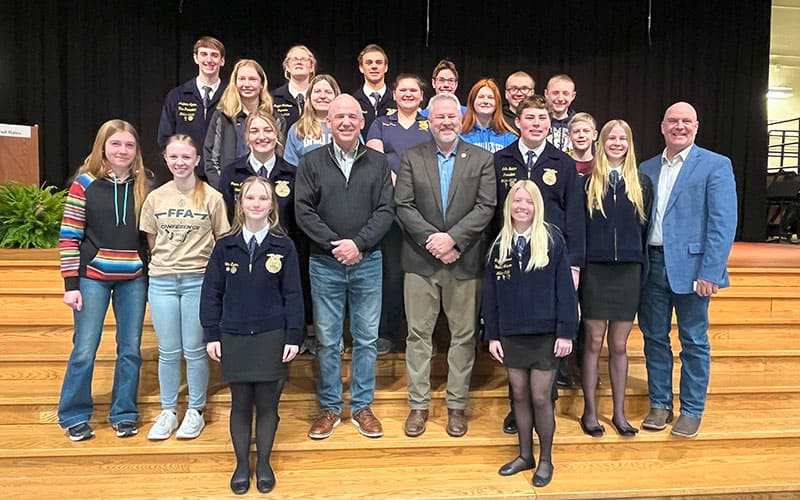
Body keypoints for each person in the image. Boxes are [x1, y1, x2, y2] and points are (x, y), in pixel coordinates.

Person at [395, 93, 496, 438]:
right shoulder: (413, 157)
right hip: (420, 261)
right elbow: (403, 205)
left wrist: (453, 240)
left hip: (463, 260)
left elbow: (485, 207)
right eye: (439, 117)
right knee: (418, 336)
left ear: (461, 119)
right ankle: (418, 406)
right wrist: (433, 241)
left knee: (464, 336)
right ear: (430, 121)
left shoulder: (481, 159)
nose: (446, 122)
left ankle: (456, 405)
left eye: (451, 116)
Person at [295, 94, 394, 440]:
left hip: (368, 261)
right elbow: (303, 211)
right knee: (327, 340)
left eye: (353, 116)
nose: (347, 122)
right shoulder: (311, 161)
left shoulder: (378, 162)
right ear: (329, 122)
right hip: (325, 263)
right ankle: (330, 407)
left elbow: (386, 209)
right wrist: (336, 245)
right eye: (339, 117)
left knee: (366, 339)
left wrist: (359, 244)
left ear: (362, 121)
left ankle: (362, 406)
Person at [638, 102, 737, 438]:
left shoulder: (715, 165)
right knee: (654, 338)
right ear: (662, 126)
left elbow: (723, 222)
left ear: (696, 126)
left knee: (693, 340)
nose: (679, 126)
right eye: (673, 121)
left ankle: (692, 410)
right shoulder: (647, 167)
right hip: (652, 265)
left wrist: (711, 270)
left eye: (686, 121)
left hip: (694, 269)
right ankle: (660, 404)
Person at [200, 176, 303, 494]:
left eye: (263, 198)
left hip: (272, 335)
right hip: (234, 334)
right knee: (241, 403)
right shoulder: (225, 246)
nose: (256, 204)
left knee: (268, 404)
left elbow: (293, 295)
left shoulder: (284, 246)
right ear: (240, 204)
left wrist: (293, 336)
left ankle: (265, 464)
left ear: (272, 205)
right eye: (250, 198)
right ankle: (242, 465)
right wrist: (212, 333)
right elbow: (212, 293)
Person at [494, 95, 585, 434]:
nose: (536, 124)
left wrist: (574, 265)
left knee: (546, 334)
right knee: (515, 334)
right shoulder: (500, 160)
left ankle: (547, 403)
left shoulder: (563, 163)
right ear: (518, 122)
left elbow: (575, 216)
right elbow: (493, 212)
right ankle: (515, 408)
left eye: (542, 119)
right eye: (530, 118)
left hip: (551, 263)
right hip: (510, 258)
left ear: (550, 124)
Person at [57, 119, 150, 441]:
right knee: (85, 348)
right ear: (103, 147)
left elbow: (149, 238)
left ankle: (124, 413)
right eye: (116, 144)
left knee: (131, 350)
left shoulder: (145, 185)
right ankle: (74, 414)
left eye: (129, 145)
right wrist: (71, 285)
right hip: (92, 278)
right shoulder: (84, 184)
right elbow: (69, 236)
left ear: (136, 150)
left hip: (133, 278)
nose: (122, 150)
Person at [483, 180, 576, 488]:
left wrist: (566, 332)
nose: (522, 206)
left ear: (537, 206)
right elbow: (491, 296)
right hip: (511, 334)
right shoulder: (499, 246)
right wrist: (493, 335)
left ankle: (546, 459)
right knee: (519, 395)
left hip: (546, 334)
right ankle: (525, 455)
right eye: (517, 201)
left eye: (528, 201)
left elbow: (565, 289)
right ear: (509, 205)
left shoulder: (552, 240)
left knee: (540, 396)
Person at [140, 135, 230, 441]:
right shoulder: (155, 198)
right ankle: (168, 411)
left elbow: (221, 240)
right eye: (174, 157)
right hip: (162, 281)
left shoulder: (212, 197)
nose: (180, 162)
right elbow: (152, 240)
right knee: (168, 351)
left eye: (186, 157)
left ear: (197, 160)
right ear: (165, 159)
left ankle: (195, 410)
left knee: (194, 350)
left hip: (198, 281)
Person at [579, 120, 653, 438]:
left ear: (630, 143)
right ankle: (590, 412)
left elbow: (645, 230)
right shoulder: (587, 182)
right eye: (612, 138)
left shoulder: (642, 182)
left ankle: (619, 413)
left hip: (628, 272)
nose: (617, 143)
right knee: (594, 342)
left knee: (619, 345)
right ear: (602, 142)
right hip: (595, 271)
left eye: (623, 138)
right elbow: (579, 228)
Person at [366, 73, 432, 355]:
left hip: (423, 209)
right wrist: (399, 182)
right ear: (394, 94)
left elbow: (436, 159)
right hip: (390, 208)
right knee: (391, 274)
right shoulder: (381, 123)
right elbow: (374, 157)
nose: (408, 94)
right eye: (402, 90)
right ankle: (387, 333)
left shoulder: (430, 124)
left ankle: (423, 335)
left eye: (413, 90)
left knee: (423, 274)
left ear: (422, 96)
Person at [204, 59, 286, 189]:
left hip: (265, 193)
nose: (246, 84)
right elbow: (211, 159)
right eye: (242, 79)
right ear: (235, 83)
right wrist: (223, 188)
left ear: (261, 84)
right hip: (229, 189)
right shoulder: (222, 116)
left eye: (252, 79)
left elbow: (279, 157)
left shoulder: (275, 118)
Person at [157, 36, 226, 177]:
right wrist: (178, 162)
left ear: (222, 61)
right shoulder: (177, 95)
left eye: (214, 55)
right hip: (186, 172)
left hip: (221, 173)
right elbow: (165, 137)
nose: (209, 60)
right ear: (196, 58)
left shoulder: (231, 96)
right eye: (204, 54)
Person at [219, 110, 295, 236]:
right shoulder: (231, 173)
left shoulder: (292, 174)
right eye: (254, 131)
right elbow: (226, 216)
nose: (262, 137)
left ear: (277, 134)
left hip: (283, 245)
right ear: (246, 137)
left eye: (268, 130)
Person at [283, 74, 341, 167]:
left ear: (336, 96)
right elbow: (290, 168)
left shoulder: (347, 126)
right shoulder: (297, 129)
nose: (322, 96)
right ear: (309, 97)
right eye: (317, 91)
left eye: (328, 92)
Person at [460, 78, 518, 153]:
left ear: (497, 103)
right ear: (472, 101)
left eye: (490, 98)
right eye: (481, 97)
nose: (485, 101)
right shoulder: (460, 137)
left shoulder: (510, 139)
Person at [352, 44, 396, 134]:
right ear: (361, 67)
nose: (374, 66)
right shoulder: (353, 102)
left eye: (378, 62)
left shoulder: (397, 100)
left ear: (386, 67)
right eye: (369, 63)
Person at [271, 45, 317, 129]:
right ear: (287, 67)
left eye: (304, 59)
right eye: (294, 59)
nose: (299, 62)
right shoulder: (273, 98)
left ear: (312, 67)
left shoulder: (319, 97)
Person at [544, 74, 577, 154]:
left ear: (573, 96)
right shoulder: (538, 122)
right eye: (555, 93)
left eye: (565, 93)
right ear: (546, 94)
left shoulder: (578, 123)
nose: (560, 98)